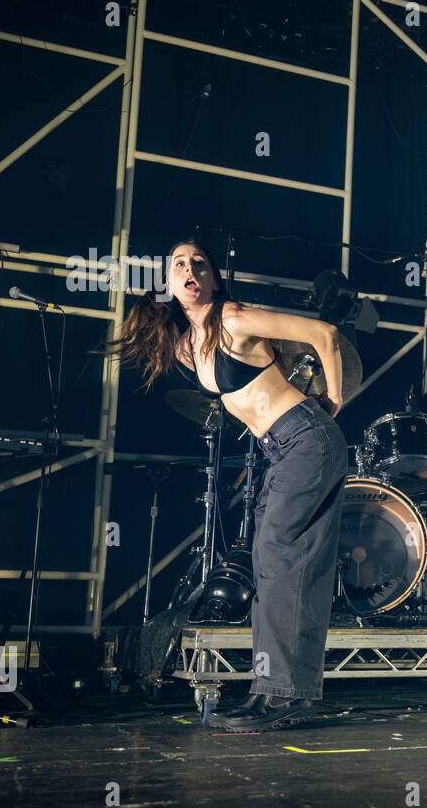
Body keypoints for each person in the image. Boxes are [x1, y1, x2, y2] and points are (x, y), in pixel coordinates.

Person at [104, 238, 350, 731]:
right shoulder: (188, 344)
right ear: (170, 283)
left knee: (280, 554)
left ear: (214, 278)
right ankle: (273, 691)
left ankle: (283, 693)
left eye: (199, 263)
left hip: (307, 437)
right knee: (271, 562)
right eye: (178, 265)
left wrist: (334, 400)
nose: (190, 269)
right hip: (279, 449)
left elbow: (324, 334)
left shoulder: (234, 318)